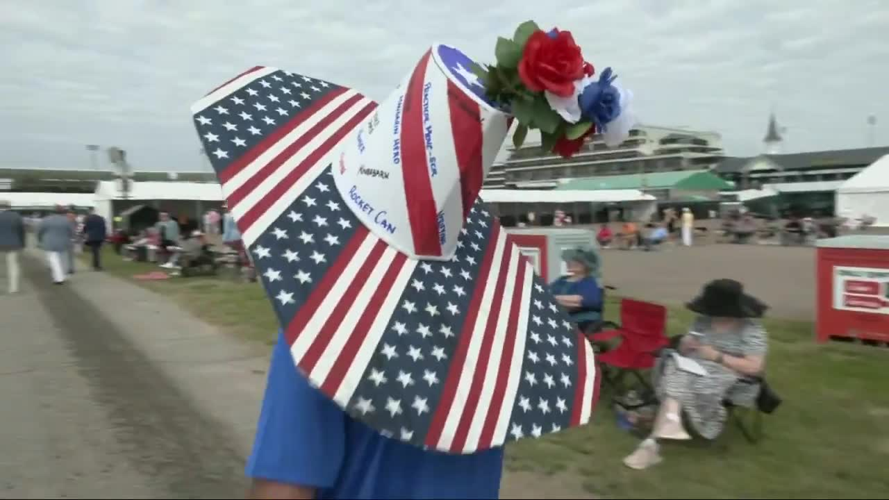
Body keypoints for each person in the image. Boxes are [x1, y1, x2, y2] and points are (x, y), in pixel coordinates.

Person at [623, 279, 769, 470]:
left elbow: (754, 367)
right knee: (676, 367)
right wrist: (685, 344)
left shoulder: (751, 330)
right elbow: (687, 347)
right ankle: (657, 439)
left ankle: (655, 439)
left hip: (730, 373)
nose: (710, 315)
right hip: (693, 365)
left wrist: (717, 356)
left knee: (680, 379)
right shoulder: (703, 320)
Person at [550, 247, 604, 331]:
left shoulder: (588, 281)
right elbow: (544, 294)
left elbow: (583, 300)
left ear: (586, 265)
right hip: (556, 321)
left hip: (580, 324)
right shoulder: (561, 280)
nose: (570, 262)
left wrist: (552, 298)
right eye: (569, 260)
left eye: (575, 261)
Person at [38, 205, 74, 285]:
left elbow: (39, 231)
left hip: (50, 243)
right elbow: (71, 232)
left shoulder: (46, 220)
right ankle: (62, 275)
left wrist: (40, 240)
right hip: (64, 243)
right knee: (63, 260)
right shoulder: (67, 221)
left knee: (54, 261)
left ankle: (58, 278)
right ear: (63, 212)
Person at [0, 200, 25, 294]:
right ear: (9, 207)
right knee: (13, 265)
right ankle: (13, 288)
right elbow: (21, 231)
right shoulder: (16, 216)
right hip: (13, 244)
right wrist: (22, 244)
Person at [66, 207, 79, 274]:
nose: (70, 217)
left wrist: (76, 239)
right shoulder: (65, 222)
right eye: (69, 215)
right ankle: (67, 267)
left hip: (71, 240)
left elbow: (78, 232)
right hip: (64, 240)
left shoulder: (76, 223)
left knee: (70, 255)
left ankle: (71, 268)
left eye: (72, 216)